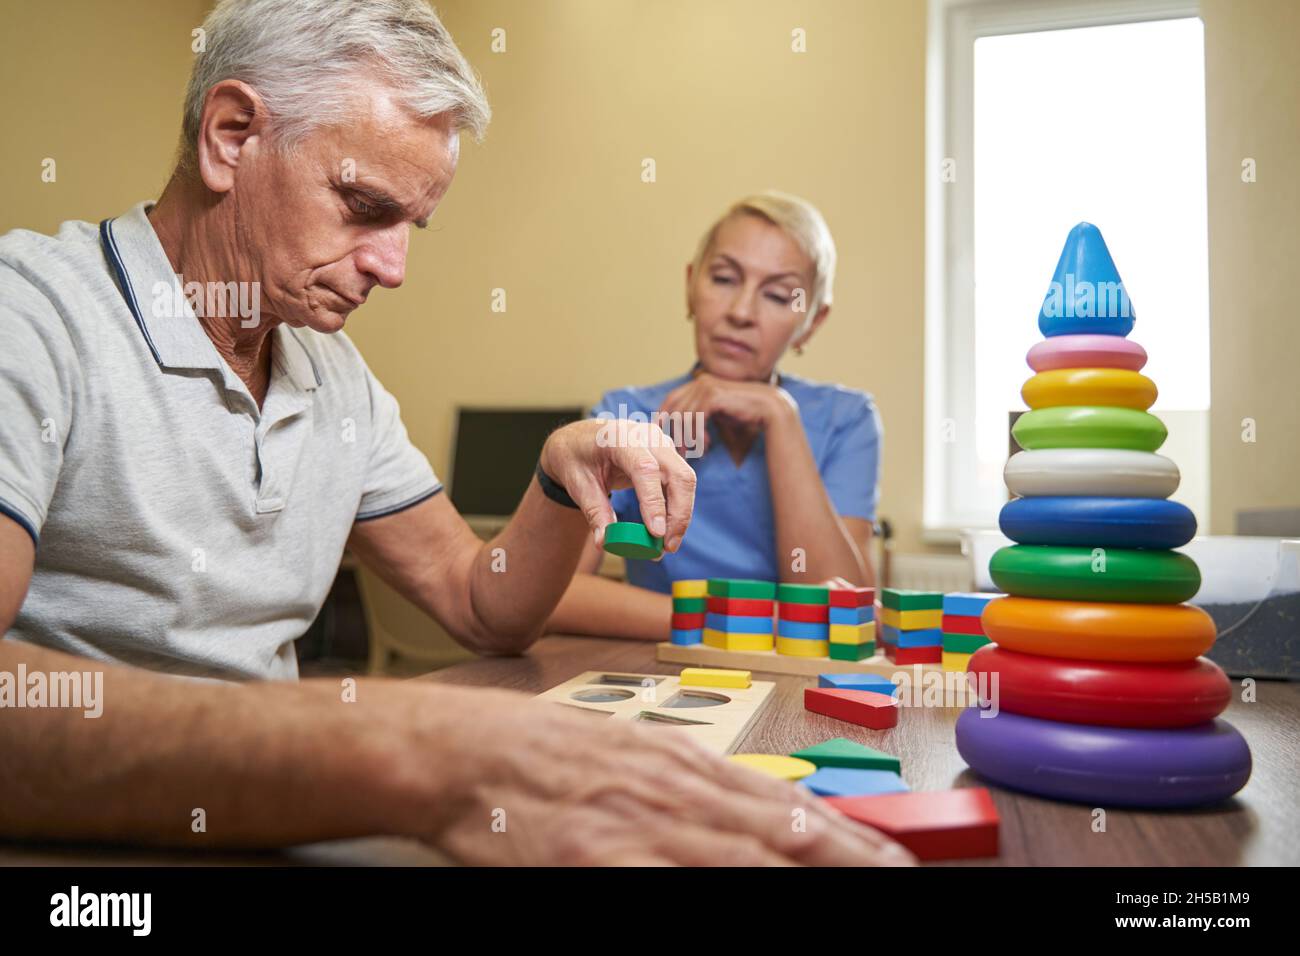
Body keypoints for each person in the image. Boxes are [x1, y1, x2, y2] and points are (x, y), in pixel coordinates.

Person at [0, 0, 911, 866]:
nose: (392, 268)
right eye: (364, 208)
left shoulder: (334, 375)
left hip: (271, 824)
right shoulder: (32, 313)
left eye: (413, 225)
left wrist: (557, 480)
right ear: (232, 137)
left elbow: (482, 605)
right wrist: (408, 745)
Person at [549, 192, 883, 641]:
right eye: (724, 278)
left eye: (779, 295)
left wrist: (779, 415)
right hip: (665, 674)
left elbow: (845, 617)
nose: (740, 312)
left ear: (813, 321)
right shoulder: (627, 416)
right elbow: (553, 596)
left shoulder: (847, 419)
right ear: (691, 285)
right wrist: (752, 625)